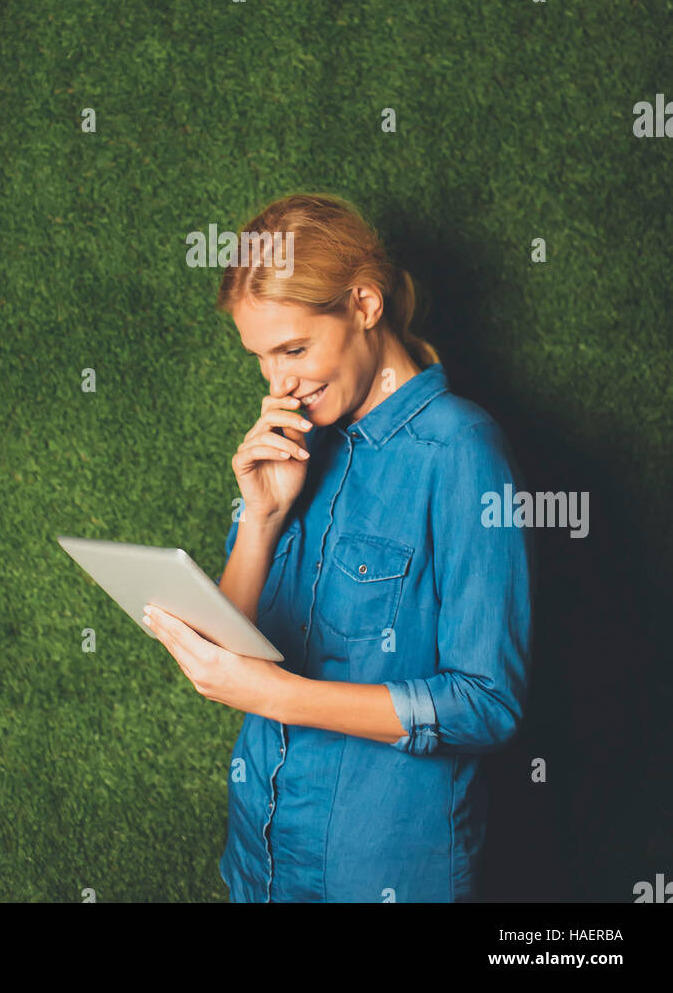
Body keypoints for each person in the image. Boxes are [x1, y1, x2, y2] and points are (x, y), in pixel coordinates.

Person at [143, 192, 535, 903]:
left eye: (294, 349)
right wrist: (261, 516)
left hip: (380, 870)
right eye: (261, 359)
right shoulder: (293, 444)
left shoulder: (460, 450)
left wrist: (286, 698)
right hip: (260, 855)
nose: (280, 382)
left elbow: (487, 702)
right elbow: (234, 652)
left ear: (363, 304)